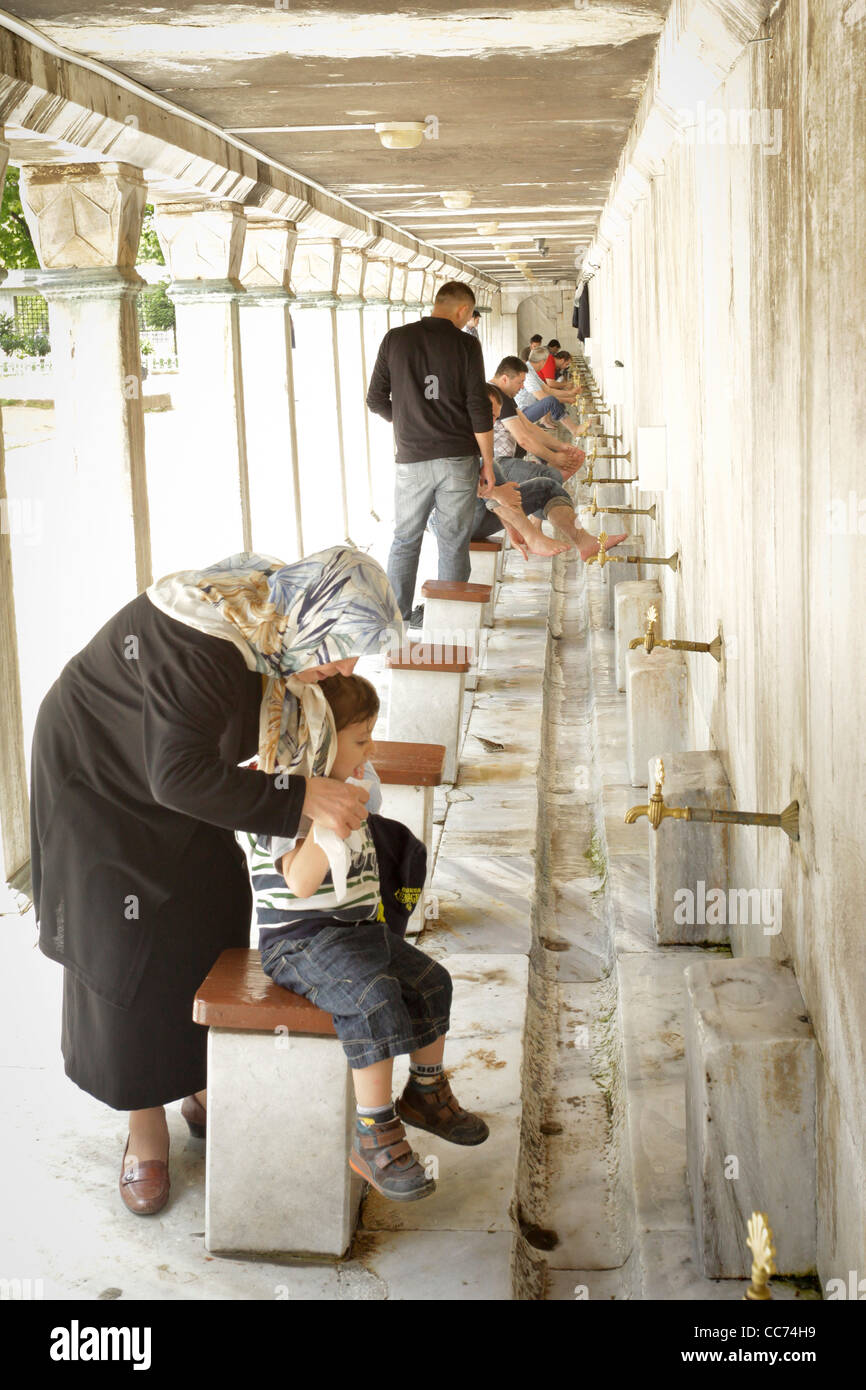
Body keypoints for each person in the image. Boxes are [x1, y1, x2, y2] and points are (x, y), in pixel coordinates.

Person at [29, 546, 402, 1216]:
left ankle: (198, 1082)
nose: (344, 668)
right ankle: (146, 1132)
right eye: (342, 650)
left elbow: (191, 767)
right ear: (313, 617)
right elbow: (174, 777)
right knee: (125, 946)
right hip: (98, 781)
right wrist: (300, 798)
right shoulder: (202, 648)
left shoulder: (267, 620)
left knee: (210, 905)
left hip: (174, 772)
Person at [255, 672, 488, 1203]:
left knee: (432, 981)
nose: (371, 748)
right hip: (300, 940)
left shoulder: (346, 780)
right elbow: (299, 880)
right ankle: (374, 1132)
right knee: (372, 998)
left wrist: (355, 777)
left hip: (358, 930)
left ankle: (425, 1093)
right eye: (360, 739)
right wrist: (325, 822)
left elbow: (373, 802)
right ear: (318, 739)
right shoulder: (279, 794)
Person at [366, 280, 495, 628]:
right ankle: (448, 626)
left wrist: (409, 419)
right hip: (458, 458)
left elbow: (375, 399)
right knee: (453, 542)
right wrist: (489, 463)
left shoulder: (396, 339)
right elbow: (478, 407)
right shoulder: (467, 345)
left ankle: (397, 623)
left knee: (405, 540)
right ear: (463, 310)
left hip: (412, 459)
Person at [434, 385, 616, 562]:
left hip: (475, 516)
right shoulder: (452, 434)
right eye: (489, 415)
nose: (490, 423)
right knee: (489, 468)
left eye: (495, 418)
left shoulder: (480, 434)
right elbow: (449, 482)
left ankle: (584, 541)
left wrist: (512, 529)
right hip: (449, 520)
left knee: (547, 486)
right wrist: (494, 492)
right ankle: (532, 535)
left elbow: (529, 430)